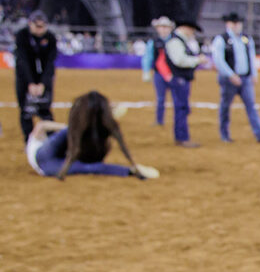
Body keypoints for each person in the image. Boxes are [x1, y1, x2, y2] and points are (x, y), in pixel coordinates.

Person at [26, 91, 158, 180]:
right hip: (44, 159)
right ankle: (129, 170)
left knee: (83, 162)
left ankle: (129, 170)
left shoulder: (42, 146)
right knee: (84, 162)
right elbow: (42, 126)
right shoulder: (47, 149)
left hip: (43, 158)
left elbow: (41, 126)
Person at [211, 12, 260, 143]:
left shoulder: (247, 39)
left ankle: (259, 132)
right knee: (225, 107)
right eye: (234, 22)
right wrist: (231, 75)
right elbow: (218, 60)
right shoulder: (221, 39)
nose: (237, 25)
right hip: (228, 79)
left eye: (238, 22)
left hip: (245, 78)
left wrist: (254, 74)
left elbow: (251, 57)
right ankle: (224, 134)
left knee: (251, 105)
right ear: (228, 24)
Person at [13, 11, 57, 143]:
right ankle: (29, 141)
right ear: (30, 24)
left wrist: (43, 83)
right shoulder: (22, 36)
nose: (40, 29)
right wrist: (30, 83)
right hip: (25, 78)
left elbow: (50, 63)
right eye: (37, 26)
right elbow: (22, 61)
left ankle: (53, 142)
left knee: (45, 110)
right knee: (25, 111)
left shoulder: (50, 38)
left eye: (42, 26)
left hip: (43, 78)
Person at [165, 20, 207, 148]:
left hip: (181, 78)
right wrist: (197, 60)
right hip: (180, 78)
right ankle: (182, 137)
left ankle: (182, 136)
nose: (192, 33)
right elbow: (179, 60)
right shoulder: (176, 41)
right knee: (182, 108)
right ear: (186, 28)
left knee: (182, 108)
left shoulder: (178, 40)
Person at [142, 16, 176, 127]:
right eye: (162, 27)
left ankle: (178, 121)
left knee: (177, 99)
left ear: (170, 28)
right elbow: (148, 57)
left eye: (166, 27)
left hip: (175, 74)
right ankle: (159, 121)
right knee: (160, 99)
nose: (164, 29)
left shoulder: (176, 41)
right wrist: (146, 71)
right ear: (158, 28)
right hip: (159, 74)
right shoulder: (153, 42)